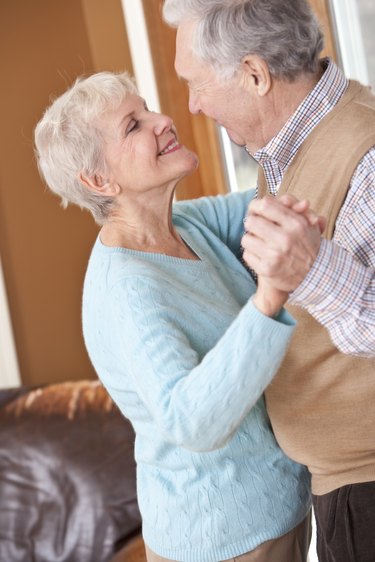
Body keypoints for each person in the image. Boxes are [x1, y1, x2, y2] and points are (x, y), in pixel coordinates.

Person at [34, 71, 323, 562]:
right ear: (100, 180)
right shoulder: (129, 288)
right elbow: (192, 421)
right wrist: (268, 298)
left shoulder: (183, 224)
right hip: (222, 538)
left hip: (270, 514)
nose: (163, 121)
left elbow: (270, 202)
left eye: (148, 109)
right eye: (134, 125)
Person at [162, 1, 375, 561]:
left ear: (255, 75)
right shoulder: (281, 158)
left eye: (197, 83)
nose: (192, 105)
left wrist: (315, 270)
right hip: (341, 489)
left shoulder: (366, 151)